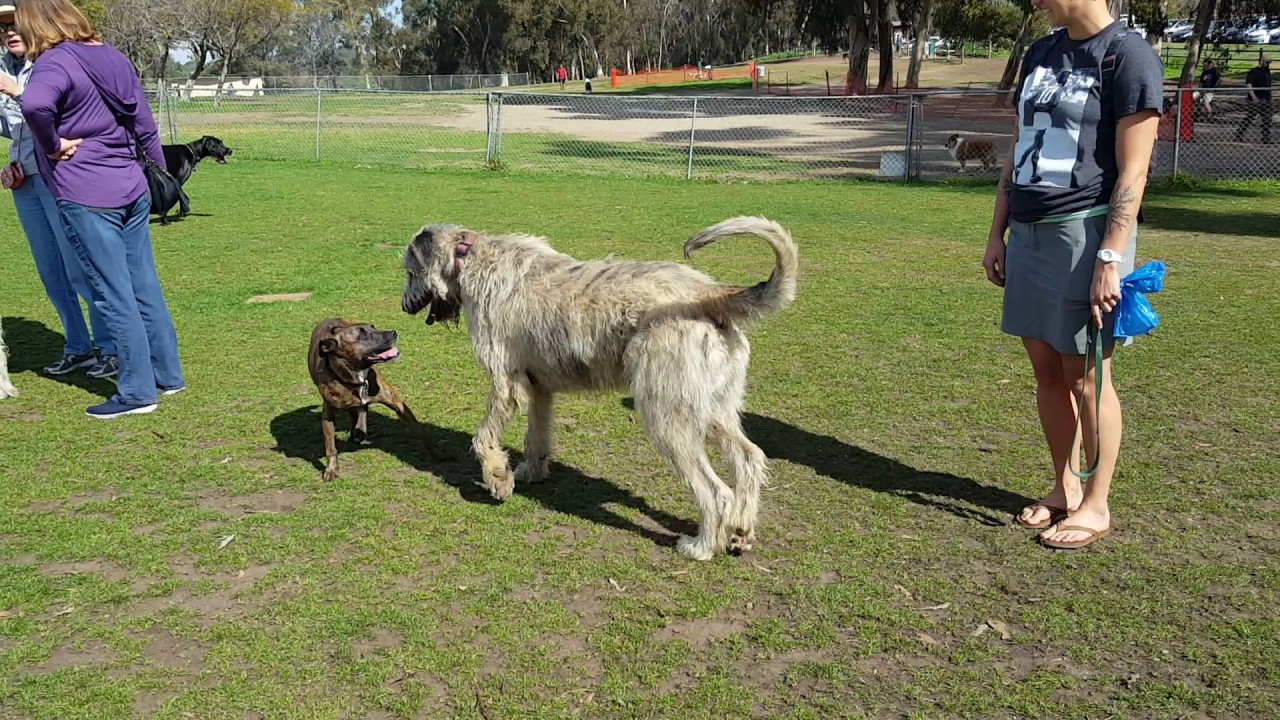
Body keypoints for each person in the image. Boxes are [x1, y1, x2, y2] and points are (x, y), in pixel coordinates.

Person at [982, 0, 1163, 550]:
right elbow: (1020, 148)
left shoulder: (1127, 56)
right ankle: (1062, 488)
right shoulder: (1042, 51)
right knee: (1046, 371)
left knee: (1088, 374)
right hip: (1030, 233)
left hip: (1085, 234)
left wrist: (1111, 256)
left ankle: (1096, 503)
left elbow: (1134, 169)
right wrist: (998, 231)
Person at [16, 0, 185, 419]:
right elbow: (145, 123)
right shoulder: (112, 55)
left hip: (87, 192)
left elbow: (34, 105)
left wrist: (53, 146)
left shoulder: (54, 63)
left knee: (113, 293)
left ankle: (136, 392)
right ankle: (168, 376)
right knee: (144, 285)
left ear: (36, 26)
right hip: (131, 186)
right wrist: (159, 179)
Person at [0, 3, 116, 378]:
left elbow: (51, 115)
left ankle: (111, 349)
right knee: (51, 273)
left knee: (81, 268)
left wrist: (15, 91)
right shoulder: (9, 70)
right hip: (26, 182)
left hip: (61, 178)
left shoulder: (56, 61)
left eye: (15, 24)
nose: (10, 33)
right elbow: (16, 127)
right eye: (2, 28)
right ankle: (78, 347)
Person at [1234, 55, 1272, 144]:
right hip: (1256, 98)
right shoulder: (1253, 72)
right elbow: (1249, 84)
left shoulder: (1267, 71)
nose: (1268, 64)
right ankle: (1239, 134)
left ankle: (1265, 137)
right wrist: (1253, 96)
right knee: (1250, 117)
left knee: (1267, 119)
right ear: (1261, 61)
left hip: (1266, 98)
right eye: (1267, 62)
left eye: (1269, 62)